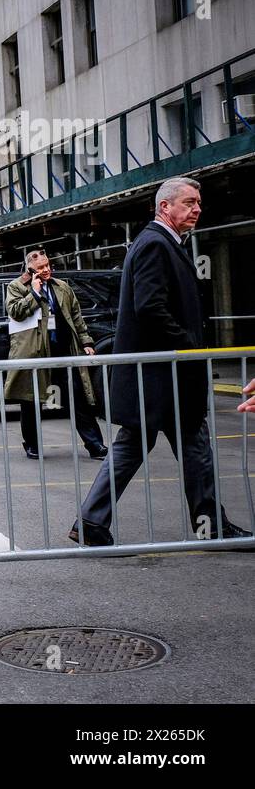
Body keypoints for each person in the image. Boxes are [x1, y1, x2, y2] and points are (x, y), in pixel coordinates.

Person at [72, 177, 251, 545]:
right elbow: (150, 307)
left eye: (199, 202)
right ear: (164, 207)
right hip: (162, 379)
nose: (197, 208)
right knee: (176, 448)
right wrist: (188, 348)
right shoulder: (156, 244)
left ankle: (206, 524)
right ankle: (207, 525)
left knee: (183, 448)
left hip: (159, 382)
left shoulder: (162, 243)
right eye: (189, 202)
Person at [4, 249, 108, 461]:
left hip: (63, 350)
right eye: (41, 267)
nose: (46, 270)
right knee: (31, 401)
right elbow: (15, 311)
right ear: (30, 269)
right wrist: (34, 292)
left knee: (77, 397)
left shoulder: (62, 288)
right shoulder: (16, 287)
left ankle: (95, 445)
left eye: (47, 265)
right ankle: (32, 445)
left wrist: (86, 341)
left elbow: (77, 317)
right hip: (34, 355)